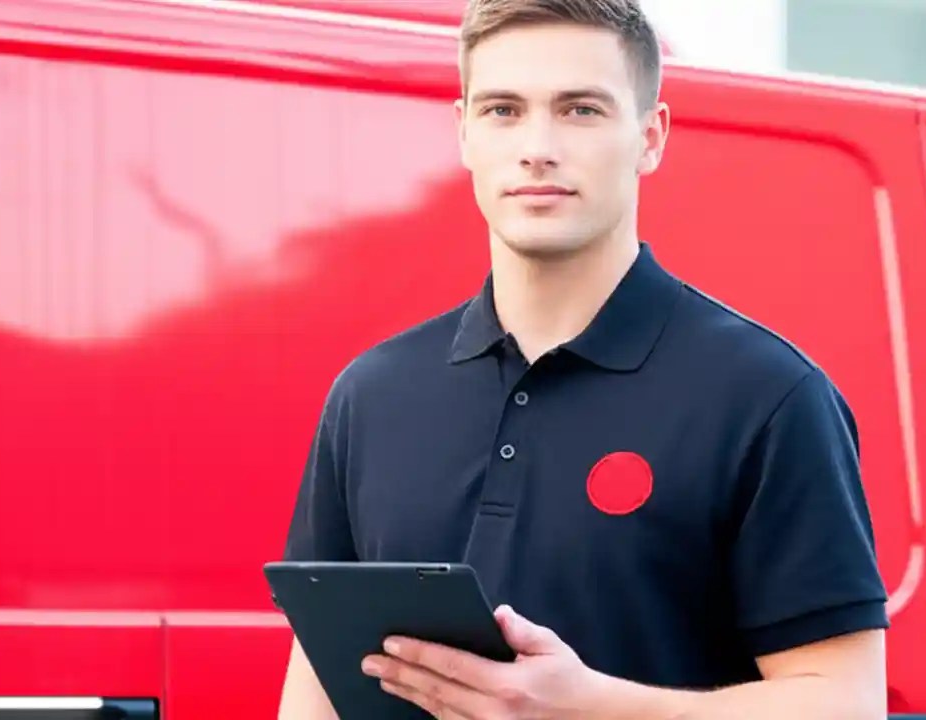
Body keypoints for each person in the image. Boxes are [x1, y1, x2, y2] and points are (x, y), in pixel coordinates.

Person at [275, 0, 889, 717]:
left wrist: (589, 709)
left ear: (650, 137)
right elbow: (315, 688)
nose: (537, 146)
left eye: (580, 110)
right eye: (503, 110)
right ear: (465, 132)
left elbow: (847, 704)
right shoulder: (371, 396)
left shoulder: (769, 397)